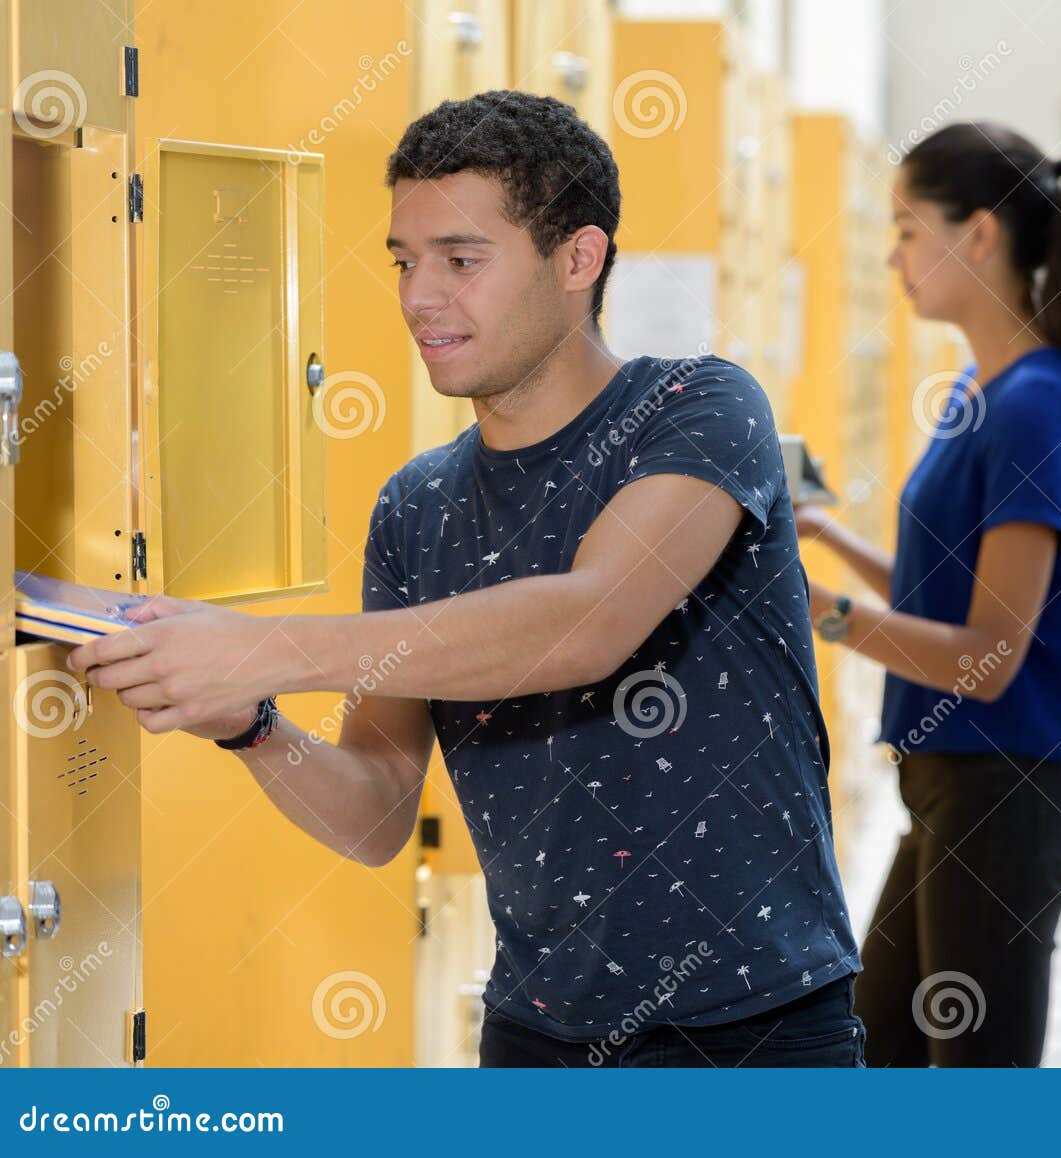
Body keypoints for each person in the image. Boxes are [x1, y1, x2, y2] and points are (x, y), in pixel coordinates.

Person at [67, 91, 865, 1067]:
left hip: (759, 1028)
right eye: (404, 261)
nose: (417, 298)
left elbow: (588, 620)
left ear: (578, 259)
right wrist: (249, 723)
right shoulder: (416, 507)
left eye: (460, 260)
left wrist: (259, 648)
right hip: (535, 1035)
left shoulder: (695, 409)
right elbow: (377, 808)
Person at [796, 122, 1061, 1066]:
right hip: (963, 786)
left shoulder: (1034, 402)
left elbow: (990, 658)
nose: (892, 255)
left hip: (1014, 790)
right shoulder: (983, 388)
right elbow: (947, 595)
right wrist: (828, 540)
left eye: (910, 229)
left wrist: (823, 617)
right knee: (873, 1050)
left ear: (982, 235)